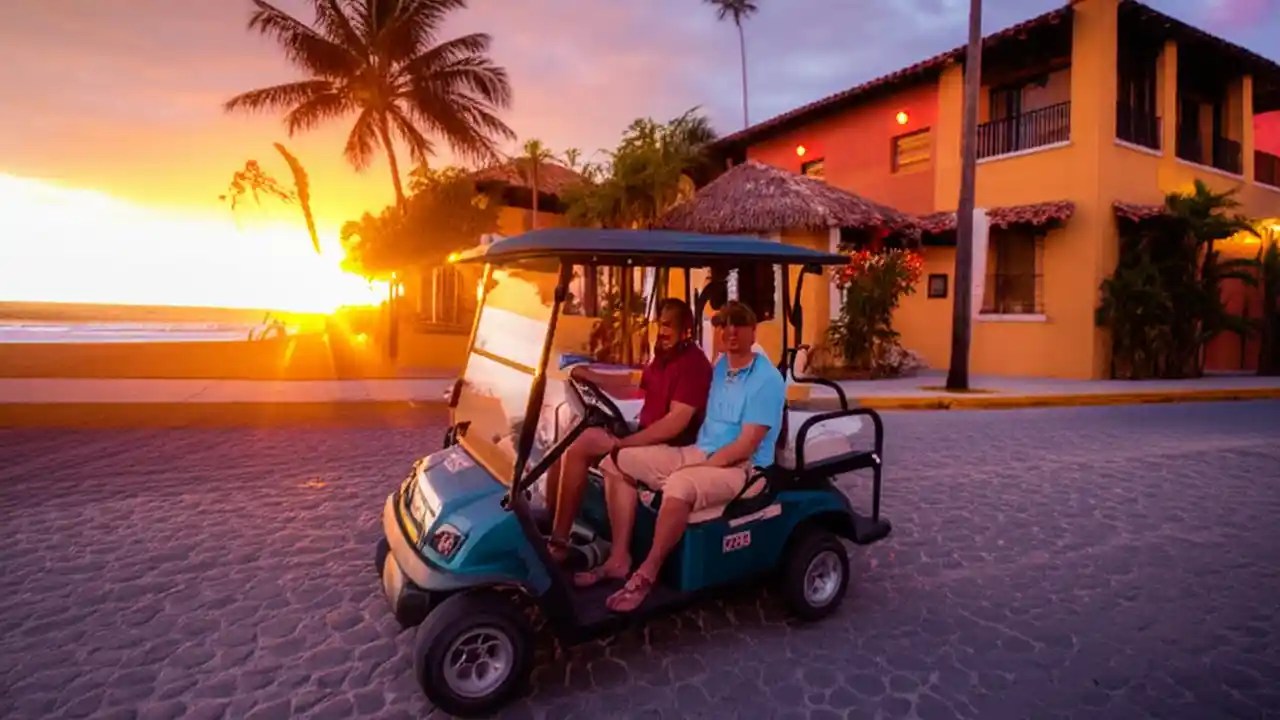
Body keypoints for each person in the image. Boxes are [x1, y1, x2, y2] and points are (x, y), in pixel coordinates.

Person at [576, 301, 785, 612]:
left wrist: (702, 463)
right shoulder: (721, 367)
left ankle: (647, 572)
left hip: (742, 468)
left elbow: (744, 446)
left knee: (679, 485)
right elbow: (654, 383)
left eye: (738, 324)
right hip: (700, 452)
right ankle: (619, 558)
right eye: (723, 323)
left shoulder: (766, 380)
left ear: (753, 330)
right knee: (618, 458)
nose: (730, 331)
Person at [544, 297, 712, 563]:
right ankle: (551, 522)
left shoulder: (694, 365)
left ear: (686, 330)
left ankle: (558, 545)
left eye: (669, 326)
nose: (663, 331)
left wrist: (629, 441)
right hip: (646, 433)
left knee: (580, 445)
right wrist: (590, 375)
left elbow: (675, 423)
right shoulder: (664, 356)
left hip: (668, 445)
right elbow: (635, 381)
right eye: (660, 325)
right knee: (569, 434)